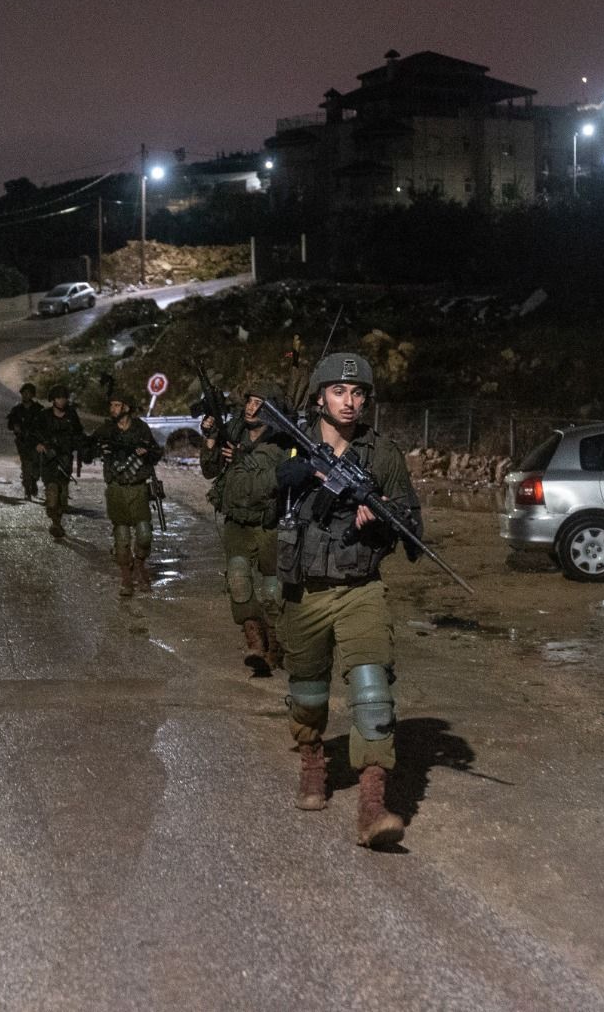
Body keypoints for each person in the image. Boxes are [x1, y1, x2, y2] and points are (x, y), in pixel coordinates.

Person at [274, 352, 421, 849]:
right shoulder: (292, 446)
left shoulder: (382, 455)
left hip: (361, 588)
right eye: (339, 392)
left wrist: (381, 518)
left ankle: (372, 806)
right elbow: (247, 498)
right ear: (320, 396)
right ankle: (313, 763)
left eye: (358, 394)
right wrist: (290, 478)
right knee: (308, 694)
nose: (350, 402)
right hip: (305, 591)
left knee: (372, 691)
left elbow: (413, 525)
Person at [200, 381, 289, 676]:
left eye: (259, 403)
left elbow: (270, 480)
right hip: (237, 520)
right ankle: (254, 642)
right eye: (250, 401)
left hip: (268, 522)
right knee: (238, 580)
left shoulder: (280, 442)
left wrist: (242, 458)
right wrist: (211, 439)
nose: (251, 407)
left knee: (272, 590)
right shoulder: (235, 430)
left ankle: (276, 645)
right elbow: (210, 471)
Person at [87, 389, 162, 597]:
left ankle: (139, 564)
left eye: (117, 405)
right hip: (117, 488)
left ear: (126, 408)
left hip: (138, 487)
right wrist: (99, 450)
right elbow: (87, 449)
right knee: (121, 536)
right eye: (111, 405)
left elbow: (157, 452)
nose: (113, 409)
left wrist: (146, 453)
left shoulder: (140, 429)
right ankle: (126, 577)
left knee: (145, 534)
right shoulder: (106, 429)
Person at [32, 384, 84, 540]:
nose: (62, 401)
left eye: (64, 398)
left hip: (65, 460)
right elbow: (33, 434)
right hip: (49, 460)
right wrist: (39, 445)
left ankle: (58, 521)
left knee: (62, 495)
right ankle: (55, 522)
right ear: (53, 399)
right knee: (52, 493)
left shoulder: (71, 415)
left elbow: (78, 434)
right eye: (58, 398)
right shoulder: (44, 416)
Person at [6, 383, 43, 499]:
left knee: (36, 466)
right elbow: (9, 425)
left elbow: (45, 425)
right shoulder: (16, 409)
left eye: (28, 393)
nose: (26, 395)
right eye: (24, 393)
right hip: (22, 442)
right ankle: (27, 489)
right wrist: (15, 426)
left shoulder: (39, 409)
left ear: (32, 395)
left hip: (36, 442)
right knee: (26, 465)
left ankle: (33, 482)